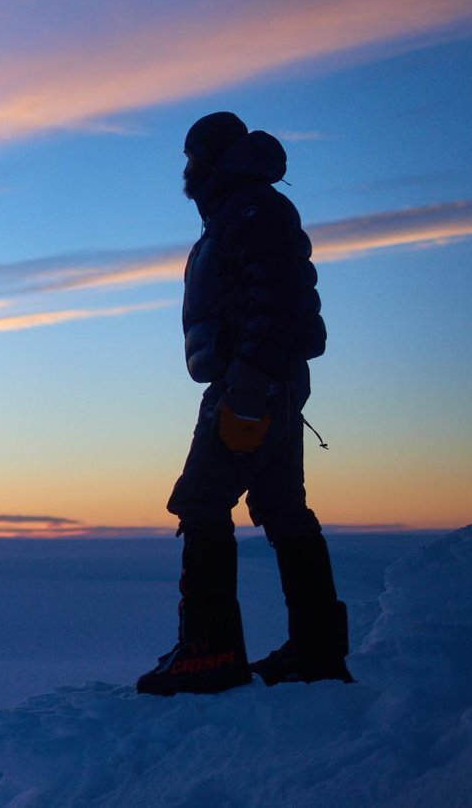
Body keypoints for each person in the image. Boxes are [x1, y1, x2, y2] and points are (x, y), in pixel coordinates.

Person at [136, 111, 353, 696]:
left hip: (252, 381)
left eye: (190, 156)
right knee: (283, 507)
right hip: (267, 378)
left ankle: (209, 654)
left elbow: (278, 297)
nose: (185, 168)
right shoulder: (241, 210)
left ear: (210, 157)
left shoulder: (252, 210)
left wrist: (250, 384)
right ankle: (316, 649)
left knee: (202, 502)